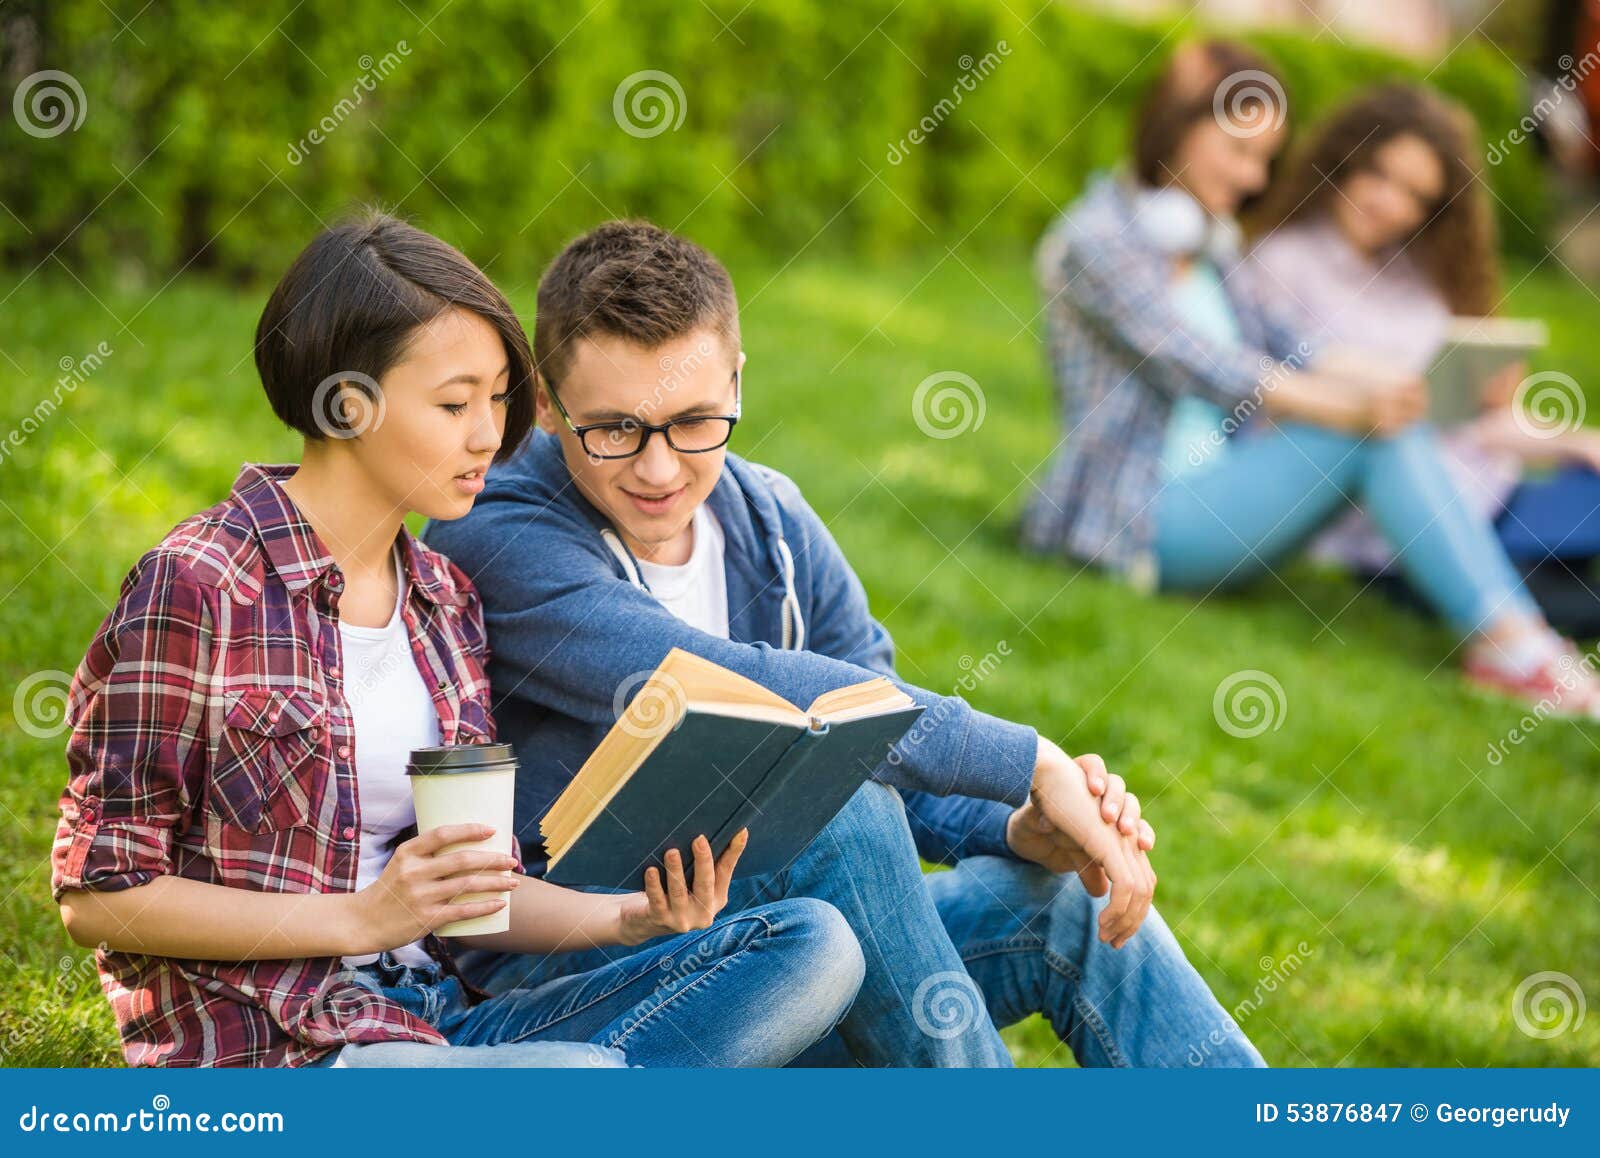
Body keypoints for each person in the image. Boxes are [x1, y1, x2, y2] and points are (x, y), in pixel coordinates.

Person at [423, 219, 1262, 1068]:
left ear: (737, 381)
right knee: (842, 816)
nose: (660, 468)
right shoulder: (497, 532)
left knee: (1062, 906)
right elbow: (701, 678)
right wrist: (1028, 760)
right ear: (544, 404)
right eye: (614, 429)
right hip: (570, 974)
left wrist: (1019, 823)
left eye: (695, 421)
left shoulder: (772, 522)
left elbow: (889, 753)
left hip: (788, 939)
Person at [49, 213, 865, 1068]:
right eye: (454, 403)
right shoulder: (201, 584)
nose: (490, 435)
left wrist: (629, 920)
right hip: (281, 1047)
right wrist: (358, 920)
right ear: (348, 403)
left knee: (812, 945)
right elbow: (98, 896)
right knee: (581, 1074)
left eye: (499, 399)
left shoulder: (443, 601)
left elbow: (478, 896)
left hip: (433, 1024)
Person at [1020, 39, 1600, 715]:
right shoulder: (1097, 241)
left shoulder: (1207, 244)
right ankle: (1515, 649)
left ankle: (1516, 644)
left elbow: (1299, 349)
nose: (1252, 178)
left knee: (1381, 423)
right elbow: (1203, 364)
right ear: (1176, 126)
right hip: (1135, 521)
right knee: (1368, 433)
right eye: (1238, 151)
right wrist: (1347, 410)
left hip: (1223, 493)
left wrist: (1416, 384)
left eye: (1264, 159)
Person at [1250, 82, 1600, 640]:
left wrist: (1576, 442)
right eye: (1378, 175)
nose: (1387, 203)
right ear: (1345, 161)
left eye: (1414, 195)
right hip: (1403, 523)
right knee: (1578, 602)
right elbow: (1267, 403)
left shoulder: (1420, 278)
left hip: (1494, 491)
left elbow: (1475, 423)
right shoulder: (1281, 264)